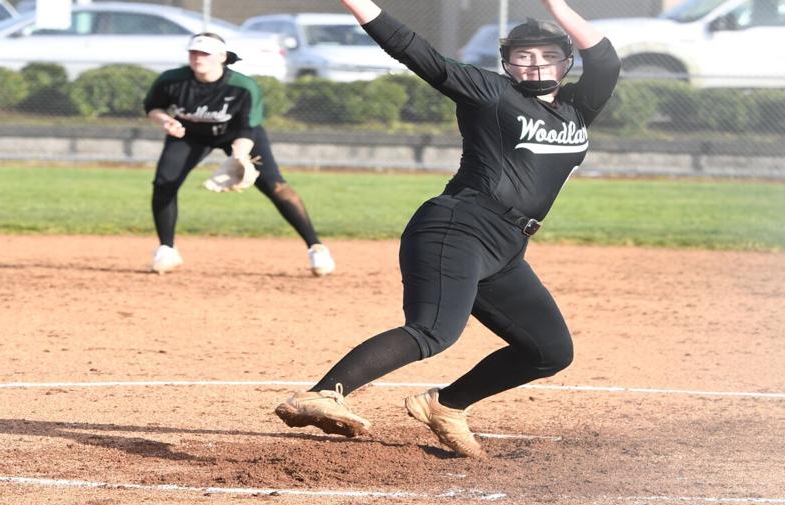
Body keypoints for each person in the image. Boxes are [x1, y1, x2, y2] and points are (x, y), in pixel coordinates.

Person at [273, 0, 617, 457]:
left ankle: (446, 406)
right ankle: (323, 393)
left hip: (507, 247)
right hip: (456, 227)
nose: (535, 64)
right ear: (506, 62)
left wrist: (554, 3)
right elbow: (417, 52)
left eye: (548, 55)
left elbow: (606, 57)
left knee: (548, 351)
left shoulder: (578, 108)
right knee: (434, 330)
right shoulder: (491, 94)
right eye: (523, 56)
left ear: (566, 59)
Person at [143, 32, 335, 276]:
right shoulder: (172, 80)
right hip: (189, 134)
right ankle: (166, 249)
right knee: (164, 183)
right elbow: (153, 107)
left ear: (221, 57)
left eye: (205, 53)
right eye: (194, 52)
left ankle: (316, 247)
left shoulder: (243, 86)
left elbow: (247, 128)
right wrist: (165, 121)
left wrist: (239, 157)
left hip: (238, 135)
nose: (198, 57)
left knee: (275, 187)